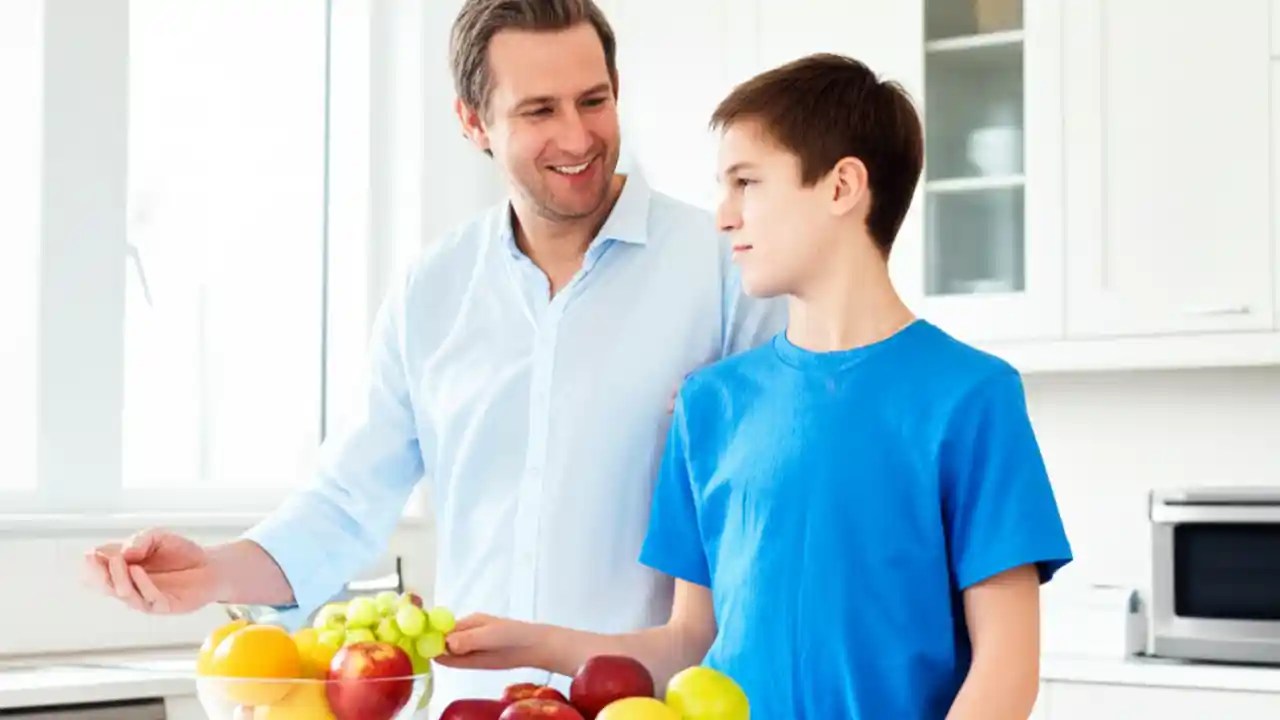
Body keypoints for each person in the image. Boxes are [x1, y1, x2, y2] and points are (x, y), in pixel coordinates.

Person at [79, 0, 784, 714]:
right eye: (538, 110)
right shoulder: (433, 290)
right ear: (473, 121)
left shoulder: (725, 268)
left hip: (655, 706)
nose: (578, 135)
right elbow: (346, 504)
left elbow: (782, 504)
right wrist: (210, 573)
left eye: (593, 100)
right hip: (473, 705)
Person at [438, 53, 1074, 719]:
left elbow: (1005, 671)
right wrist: (532, 641)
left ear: (841, 187)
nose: (723, 216)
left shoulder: (971, 397)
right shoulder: (709, 405)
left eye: (747, 183)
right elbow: (689, 645)